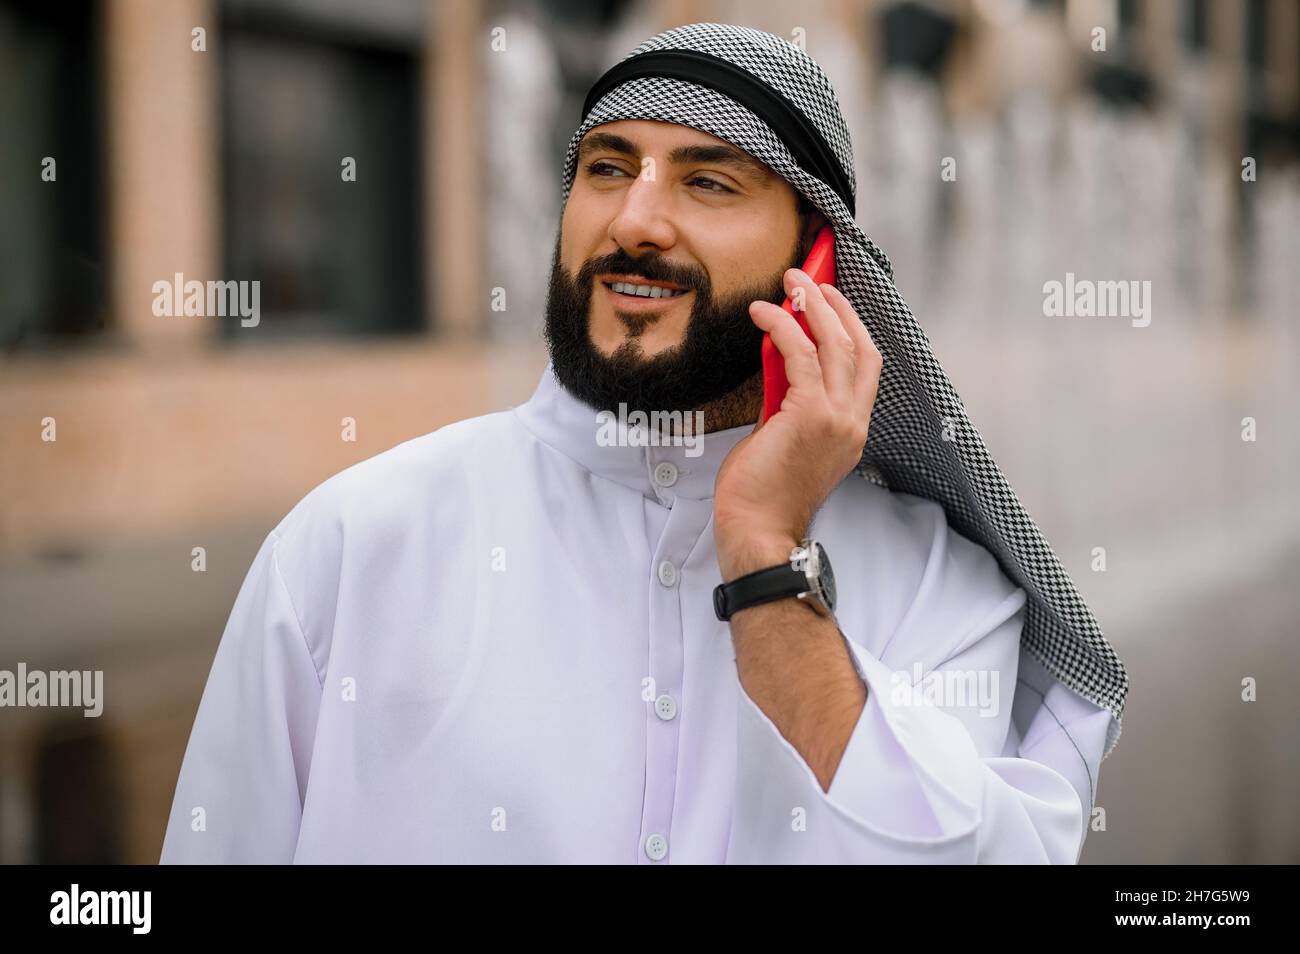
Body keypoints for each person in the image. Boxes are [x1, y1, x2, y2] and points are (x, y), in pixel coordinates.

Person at [161, 22, 1127, 864]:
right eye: (607, 170)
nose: (632, 221)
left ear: (815, 265)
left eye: (708, 181)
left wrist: (766, 559)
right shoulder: (351, 547)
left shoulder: (939, 586)